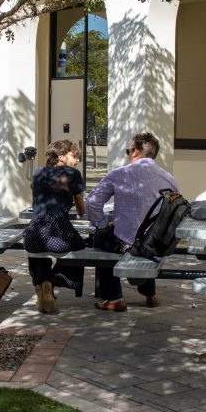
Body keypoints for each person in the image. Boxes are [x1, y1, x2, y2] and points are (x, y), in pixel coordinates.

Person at [86, 131, 178, 311]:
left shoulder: (120, 174)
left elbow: (92, 201)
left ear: (135, 151)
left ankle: (114, 297)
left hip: (125, 242)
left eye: (128, 151)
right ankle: (150, 294)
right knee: (148, 233)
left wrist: (103, 224)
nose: (128, 154)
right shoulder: (169, 179)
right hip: (155, 242)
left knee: (101, 240)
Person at [21, 139, 87, 314]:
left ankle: (42, 285)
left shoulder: (38, 172)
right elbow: (82, 211)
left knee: (37, 251)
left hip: (35, 232)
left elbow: (37, 204)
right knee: (81, 248)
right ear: (61, 156)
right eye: (74, 156)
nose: (77, 161)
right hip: (60, 233)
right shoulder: (73, 174)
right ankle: (53, 280)